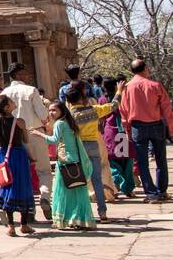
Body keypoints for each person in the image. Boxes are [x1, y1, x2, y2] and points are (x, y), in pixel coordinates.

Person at [32, 100, 96, 231]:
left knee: (63, 191)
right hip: (74, 160)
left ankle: (67, 218)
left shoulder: (60, 123)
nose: (51, 113)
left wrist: (39, 134)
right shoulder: (68, 122)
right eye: (49, 110)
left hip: (65, 161)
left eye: (54, 110)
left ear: (62, 110)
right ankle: (79, 219)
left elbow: (54, 140)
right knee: (77, 191)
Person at [2, 62, 52, 219]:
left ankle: (29, 209)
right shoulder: (31, 90)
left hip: (15, 137)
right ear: (17, 75)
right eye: (24, 73)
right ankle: (44, 197)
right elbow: (43, 115)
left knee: (24, 174)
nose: (27, 75)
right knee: (43, 170)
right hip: (36, 133)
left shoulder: (4, 93)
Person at [118, 58, 171, 202]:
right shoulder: (155, 85)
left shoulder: (128, 88)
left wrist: (127, 129)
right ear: (145, 68)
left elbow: (124, 110)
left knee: (142, 162)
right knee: (161, 159)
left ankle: (151, 193)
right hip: (156, 124)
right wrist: (170, 128)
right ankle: (161, 190)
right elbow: (167, 108)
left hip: (137, 126)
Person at [65, 83, 112, 223]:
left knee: (79, 181)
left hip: (77, 148)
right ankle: (102, 212)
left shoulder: (68, 117)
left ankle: (82, 213)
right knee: (96, 179)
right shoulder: (93, 111)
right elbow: (113, 105)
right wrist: (120, 90)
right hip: (92, 145)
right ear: (81, 98)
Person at [0, 94, 35, 236]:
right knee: (22, 186)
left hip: (4, 156)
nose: (13, 102)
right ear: (6, 107)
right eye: (10, 101)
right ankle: (24, 224)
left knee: (8, 185)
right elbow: (26, 140)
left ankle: (11, 225)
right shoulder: (19, 121)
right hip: (18, 156)